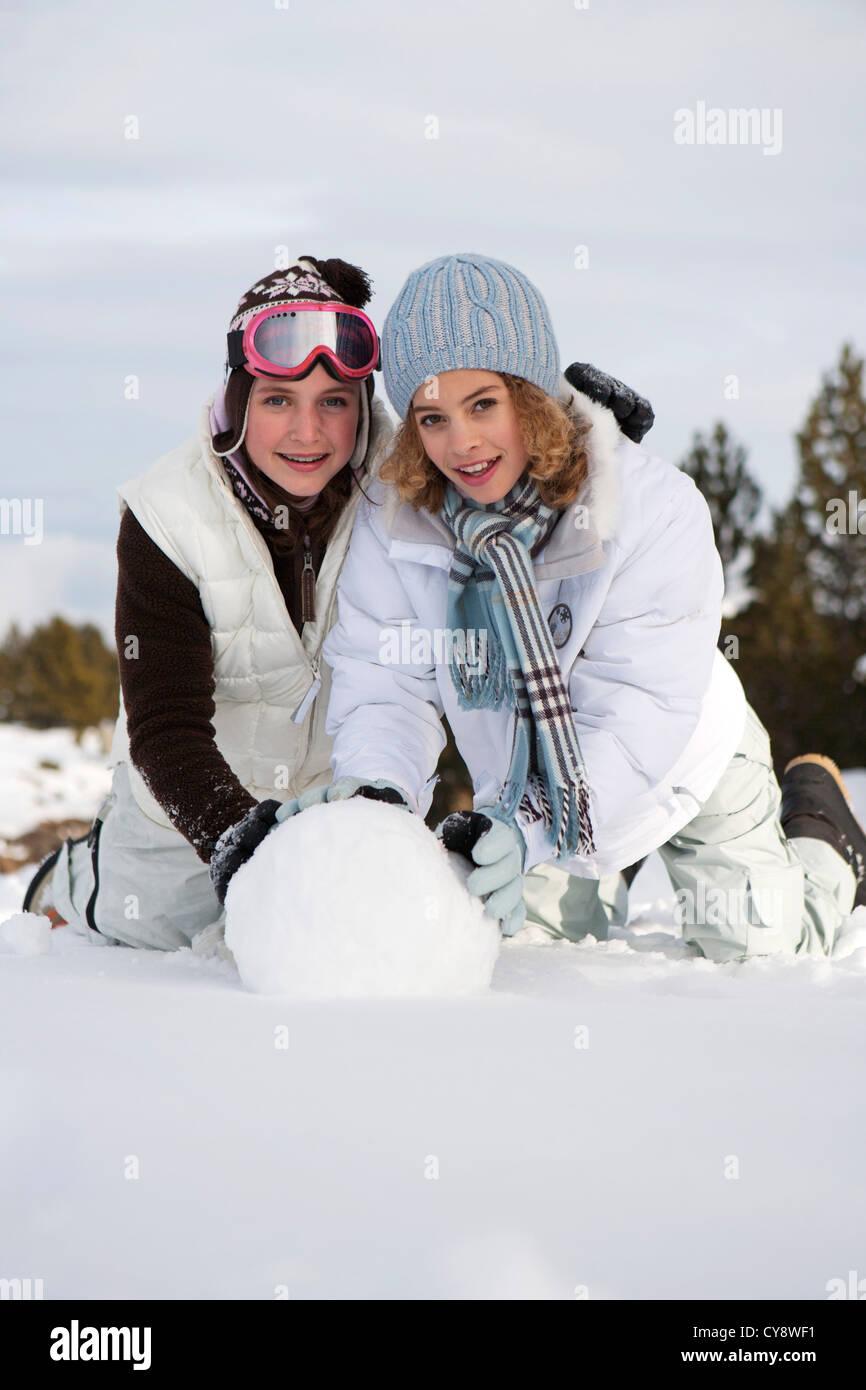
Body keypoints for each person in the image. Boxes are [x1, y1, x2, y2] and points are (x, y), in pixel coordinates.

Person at [22, 252, 650, 952]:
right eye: (277, 401)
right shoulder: (166, 515)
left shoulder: (404, 471)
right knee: (155, 933)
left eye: (333, 402)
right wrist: (244, 843)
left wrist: (588, 434)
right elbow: (165, 728)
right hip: (185, 823)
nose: (307, 433)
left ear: (363, 406)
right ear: (237, 400)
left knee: (535, 939)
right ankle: (68, 882)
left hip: (346, 806)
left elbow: (499, 450)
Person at [260, 252, 865, 963]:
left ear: (531, 395)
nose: (461, 444)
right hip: (524, 792)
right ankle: (590, 881)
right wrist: (376, 794)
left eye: (483, 404)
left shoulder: (651, 510)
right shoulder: (396, 522)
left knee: (760, 951)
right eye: (431, 417)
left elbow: (640, 712)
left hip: (680, 762)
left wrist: (534, 827)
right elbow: (386, 684)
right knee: (540, 961)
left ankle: (824, 835)